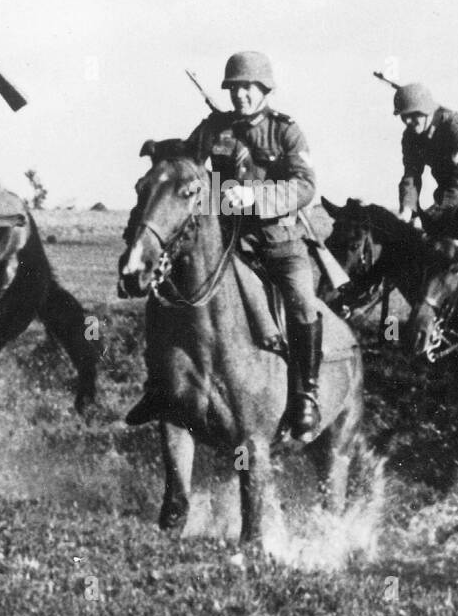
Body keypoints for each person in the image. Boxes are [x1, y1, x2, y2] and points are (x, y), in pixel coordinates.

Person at [126, 51, 323, 442]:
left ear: (264, 89)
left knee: (302, 303)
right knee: (166, 292)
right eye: (234, 89)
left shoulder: (286, 131)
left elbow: (304, 186)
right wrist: (160, 150)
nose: (240, 96)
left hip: (277, 242)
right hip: (227, 240)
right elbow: (187, 161)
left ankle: (305, 392)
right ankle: (159, 387)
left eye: (247, 88)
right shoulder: (214, 127)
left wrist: (254, 197)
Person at [395, 83, 458, 227]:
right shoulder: (411, 136)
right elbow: (411, 174)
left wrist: (432, 214)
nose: (408, 121)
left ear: (427, 111)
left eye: (413, 115)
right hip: (449, 194)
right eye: (403, 116)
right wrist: (407, 208)